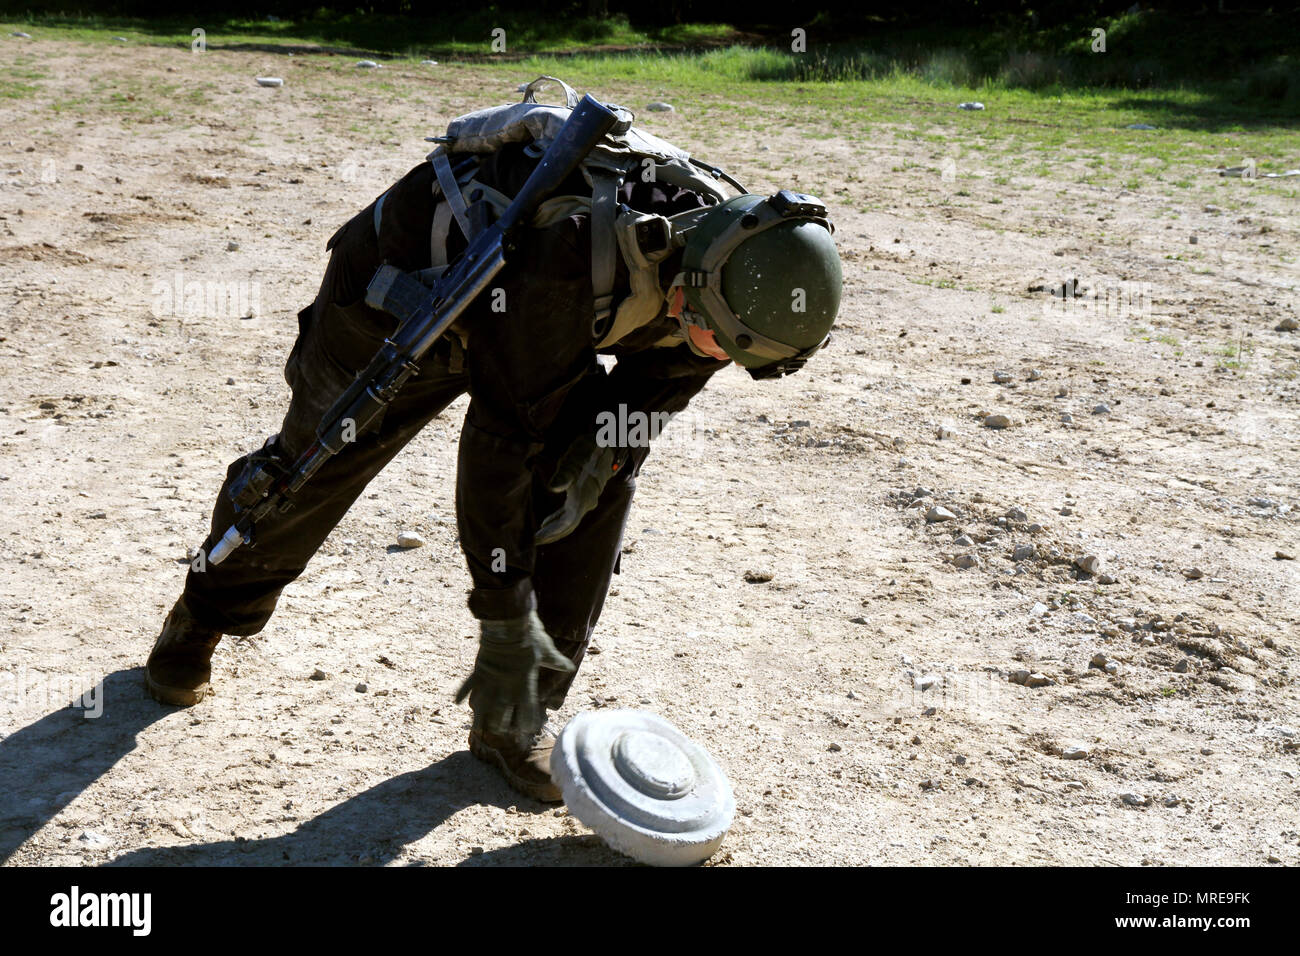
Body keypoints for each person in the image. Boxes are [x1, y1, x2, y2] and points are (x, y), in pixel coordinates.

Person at [145, 80, 842, 801]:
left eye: (730, 353)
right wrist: (502, 607)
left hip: (548, 316)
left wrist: (595, 463)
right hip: (405, 295)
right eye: (713, 340)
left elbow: (626, 422)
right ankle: (200, 618)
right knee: (312, 468)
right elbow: (503, 442)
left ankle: (514, 717)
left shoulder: (730, 296)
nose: (712, 356)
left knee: (591, 476)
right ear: (697, 279)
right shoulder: (586, 244)